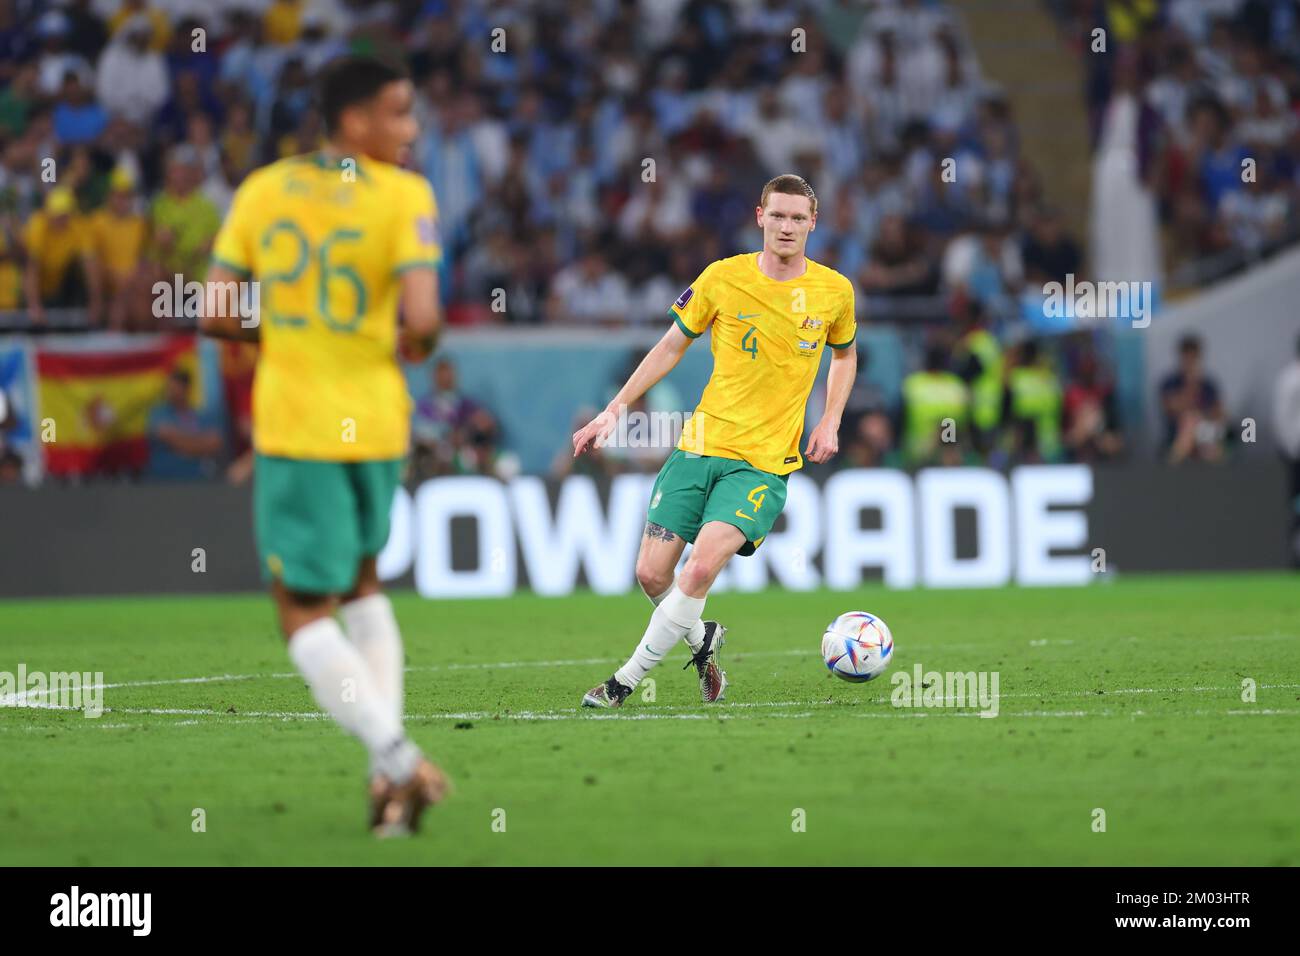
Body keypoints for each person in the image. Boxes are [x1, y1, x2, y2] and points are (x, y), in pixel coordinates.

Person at [200, 57, 448, 836]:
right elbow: (426, 322)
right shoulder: (406, 197)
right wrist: (388, 339)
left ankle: (402, 760)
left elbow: (213, 310)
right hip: (377, 422)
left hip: (299, 424)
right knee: (365, 587)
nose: (410, 131)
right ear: (353, 122)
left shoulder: (263, 190)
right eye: (399, 114)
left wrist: (289, 328)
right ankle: (389, 791)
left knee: (302, 611)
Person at [570, 174, 857, 708]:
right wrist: (615, 409)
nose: (787, 226)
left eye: (798, 218)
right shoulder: (722, 278)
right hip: (698, 447)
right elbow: (670, 346)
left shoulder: (834, 291)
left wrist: (830, 419)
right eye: (778, 216)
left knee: (699, 568)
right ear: (760, 217)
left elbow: (844, 354)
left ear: (813, 222)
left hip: (761, 464)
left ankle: (621, 683)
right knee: (651, 574)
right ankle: (702, 639)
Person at [1159, 334, 1225, 463]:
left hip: (1206, 431)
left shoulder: (1209, 385)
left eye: (1193, 357)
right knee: (1190, 421)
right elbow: (1172, 408)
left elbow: (1220, 414)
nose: (1190, 362)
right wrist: (1192, 385)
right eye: (1187, 357)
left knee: (1201, 428)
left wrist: (1202, 417)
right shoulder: (1170, 383)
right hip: (1177, 433)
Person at [146, 368, 222, 479]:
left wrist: (182, 441)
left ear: (186, 389)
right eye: (169, 388)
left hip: (198, 479)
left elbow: (215, 443)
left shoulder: (201, 416)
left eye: (175, 388)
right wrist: (201, 444)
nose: (170, 392)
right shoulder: (159, 414)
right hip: (165, 480)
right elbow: (168, 436)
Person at [1274, 334, 1300, 567]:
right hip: (1297, 455)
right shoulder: (1291, 379)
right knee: (1297, 505)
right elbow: (1282, 418)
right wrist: (1291, 449)